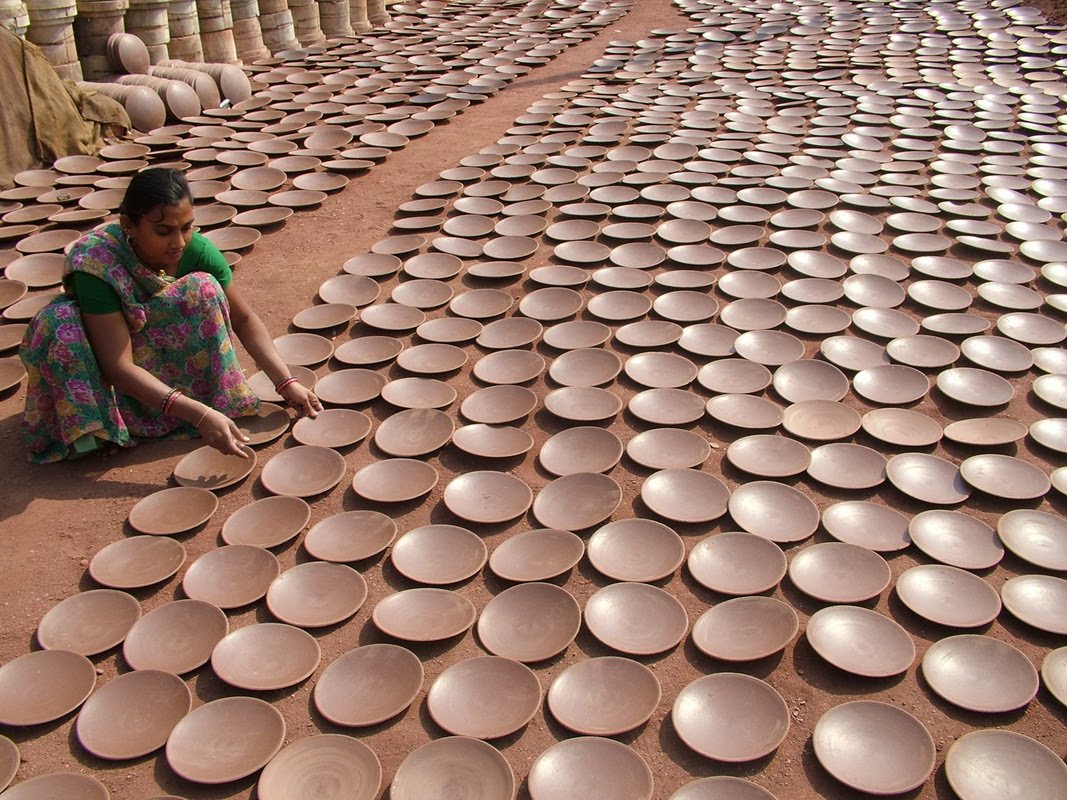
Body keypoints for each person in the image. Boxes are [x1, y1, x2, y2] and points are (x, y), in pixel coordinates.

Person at [19, 167, 321, 463]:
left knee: (203, 288)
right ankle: (108, 424)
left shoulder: (196, 250)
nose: (178, 242)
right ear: (128, 225)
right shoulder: (95, 263)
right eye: (163, 231)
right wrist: (198, 415)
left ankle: (192, 403)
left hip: (152, 344)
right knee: (61, 323)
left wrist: (285, 382)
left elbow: (243, 319)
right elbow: (117, 366)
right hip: (104, 359)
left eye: (186, 227)